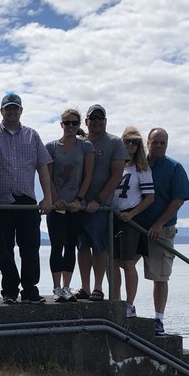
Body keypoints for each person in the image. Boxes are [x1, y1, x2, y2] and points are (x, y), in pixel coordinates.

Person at [0, 92, 53, 304]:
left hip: (27, 201)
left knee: (30, 247)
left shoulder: (33, 135)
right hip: (1, 202)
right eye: (7, 108)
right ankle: (10, 290)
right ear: (1, 111)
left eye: (15, 108)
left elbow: (43, 169)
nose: (11, 112)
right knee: (4, 248)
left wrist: (48, 197)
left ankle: (30, 290)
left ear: (21, 111)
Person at [134, 127, 189, 335]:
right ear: (147, 143)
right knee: (122, 265)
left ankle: (158, 319)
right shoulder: (137, 165)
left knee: (160, 276)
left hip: (162, 231)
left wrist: (159, 224)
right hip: (135, 227)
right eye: (155, 142)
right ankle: (126, 308)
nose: (158, 145)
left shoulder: (175, 168)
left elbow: (178, 200)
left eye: (162, 142)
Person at [75, 104, 126, 301]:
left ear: (105, 121)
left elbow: (116, 176)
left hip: (100, 207)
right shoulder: (79, 142)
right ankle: (84, 287)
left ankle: (98, 287)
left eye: (100, 118)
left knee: (99, 247)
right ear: (86, 122)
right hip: (78, 205)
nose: (96, 121)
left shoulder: (115, 143)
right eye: (92, 118)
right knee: (81, 246)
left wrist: (98, 200)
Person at [45, 108, 94, 302]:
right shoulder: (51, 147)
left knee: (71, 245)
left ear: (79, 125)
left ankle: (67, 286)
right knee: (57, 246)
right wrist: (55, 199)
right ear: (61, 125)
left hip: (75, 206)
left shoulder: (86, 147)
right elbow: (47, 176)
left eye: (75, 123)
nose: (71, 126)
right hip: (57, 206)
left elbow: (88, 175)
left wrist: (79, 200)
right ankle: (57, 288)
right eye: (67, 123)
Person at [110, 126, 154, 317]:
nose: (131, 145)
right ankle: (115, 301)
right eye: (127, 141)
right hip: (112, 216)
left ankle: (129, 304)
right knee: (113, 262)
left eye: (135, 142)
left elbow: (149, 197)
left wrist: (132, 214)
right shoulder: (116, 165)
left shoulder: (142, 169)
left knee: (128, 262)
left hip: (129, 218)